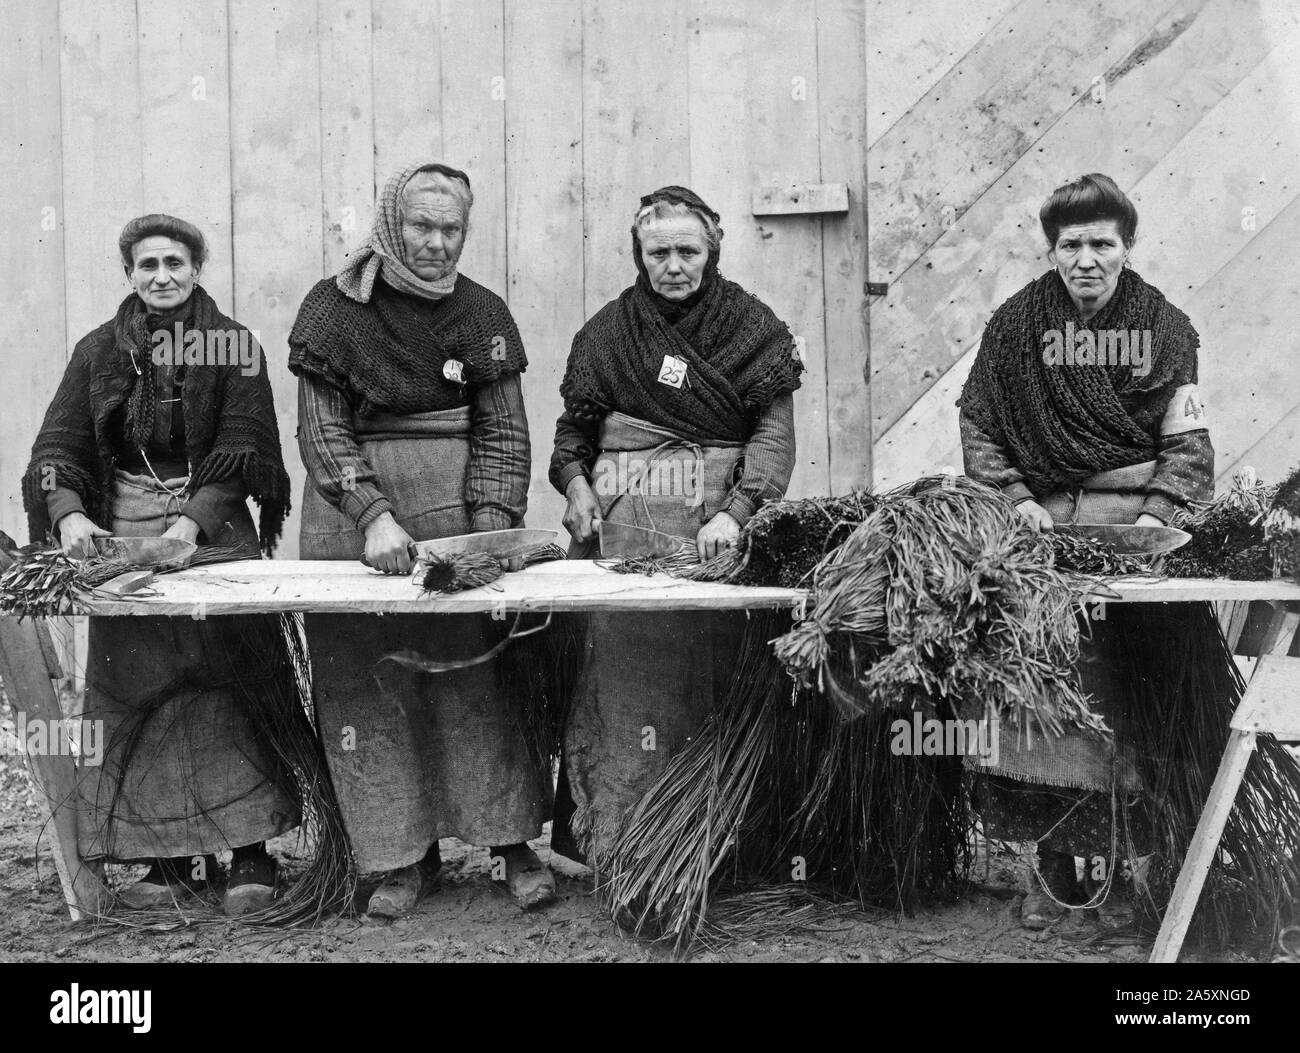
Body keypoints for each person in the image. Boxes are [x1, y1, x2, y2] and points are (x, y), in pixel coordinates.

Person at [289, 161, 555, 916]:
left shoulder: (482, 314)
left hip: (457, 518)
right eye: (421, 227)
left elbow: (505, 435)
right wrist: (371, 514)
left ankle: (509, 844)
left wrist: (492, 534)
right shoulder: (331, 311)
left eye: (452, 230)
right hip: (352, 528)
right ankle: (402, 858)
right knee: (370, 685)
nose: (437, 244)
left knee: (479, 676)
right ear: (388, 224)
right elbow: (320, 428)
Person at [958, 173, 1214, 928]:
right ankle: (1052, 874)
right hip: (1042, 540)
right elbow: (979, 423)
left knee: (1128, 711)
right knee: (1042, 707)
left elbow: (1190, 445)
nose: (1086, 259)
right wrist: (1016, 499)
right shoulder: (1014, 328)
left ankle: (1129, 880)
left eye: (1103, 243)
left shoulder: (1167, 331)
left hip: (1132, 541)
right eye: (1071, 244)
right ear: (1052, 250)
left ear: (1127, 248)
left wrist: (1157, 518)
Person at [21, 214, 296, 915]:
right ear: (129, 274)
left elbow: (243, 450)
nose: (162, 276)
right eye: (147, 265)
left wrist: (189, 524)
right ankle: (167, 860)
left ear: (198, 268)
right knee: (143, 690)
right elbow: (56, 448)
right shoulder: (97, 352)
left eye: (175, 261)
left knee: (229, 687)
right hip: (124, 547)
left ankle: (250, 852)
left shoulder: (234, 348)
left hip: (214, 535)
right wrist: (71, 514)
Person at [549, 185, 802, 866]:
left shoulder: (755, 329)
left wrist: (737, 511)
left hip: (712, 533)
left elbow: (774, 440)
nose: (673, 265)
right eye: (658, 251)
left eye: (687, 250)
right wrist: (576, 485)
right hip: (624, 536)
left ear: (713, 246)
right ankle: (612, 839)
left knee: (708, 680)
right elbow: (574, 432)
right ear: (640, 251)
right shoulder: (608, 332)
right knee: (625, 681)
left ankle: (709, 843)